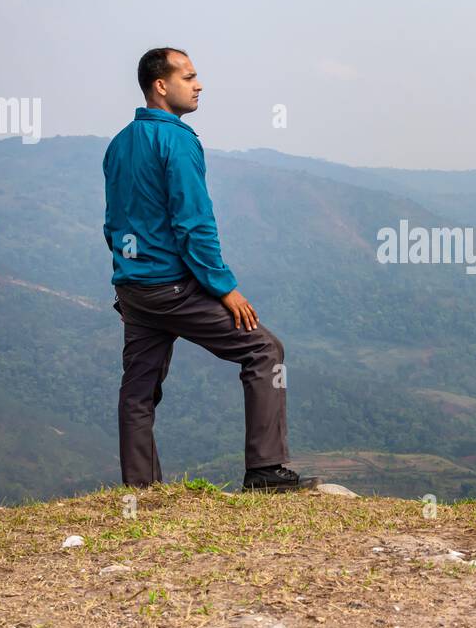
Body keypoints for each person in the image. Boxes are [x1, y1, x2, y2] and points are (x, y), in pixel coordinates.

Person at [102, 47, 319, 493]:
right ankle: (265, 470)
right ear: (161, 85)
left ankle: (141, 489)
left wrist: (128, 275)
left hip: (135, 289)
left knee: (138, 390)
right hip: (173, 286)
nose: (198, 84)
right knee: (264, 350)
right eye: (189, 76)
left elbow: (114, 223)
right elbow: (193, 223)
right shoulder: (178, 140)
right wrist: (224, 287)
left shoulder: (119, 144)